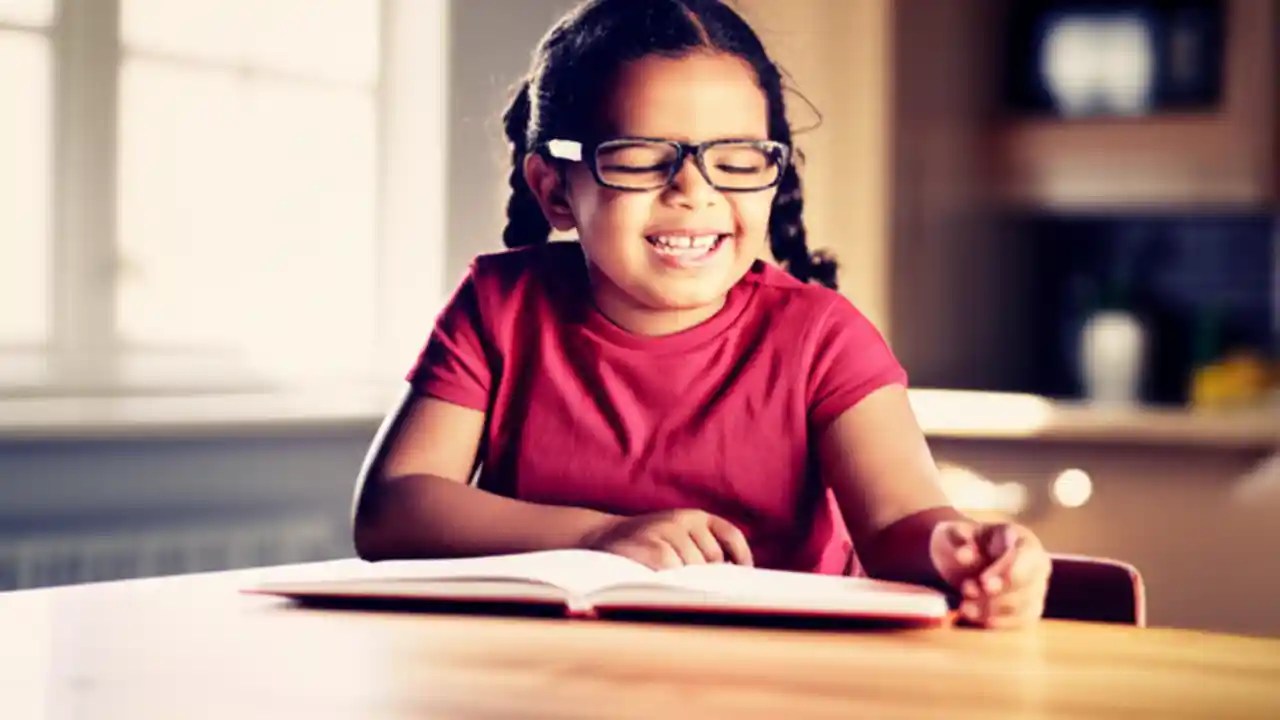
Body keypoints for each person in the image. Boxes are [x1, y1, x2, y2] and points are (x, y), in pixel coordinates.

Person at [352, 0, 1051, 628]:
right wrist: (597, 538)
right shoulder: (499, 305)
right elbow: (392, 509)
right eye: (641, 157)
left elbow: (899, 520)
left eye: (737, 160)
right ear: (555, 189)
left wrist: (961, 551)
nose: (693, 190)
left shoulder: (821, 337)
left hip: (781, 687)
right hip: (543, 679)